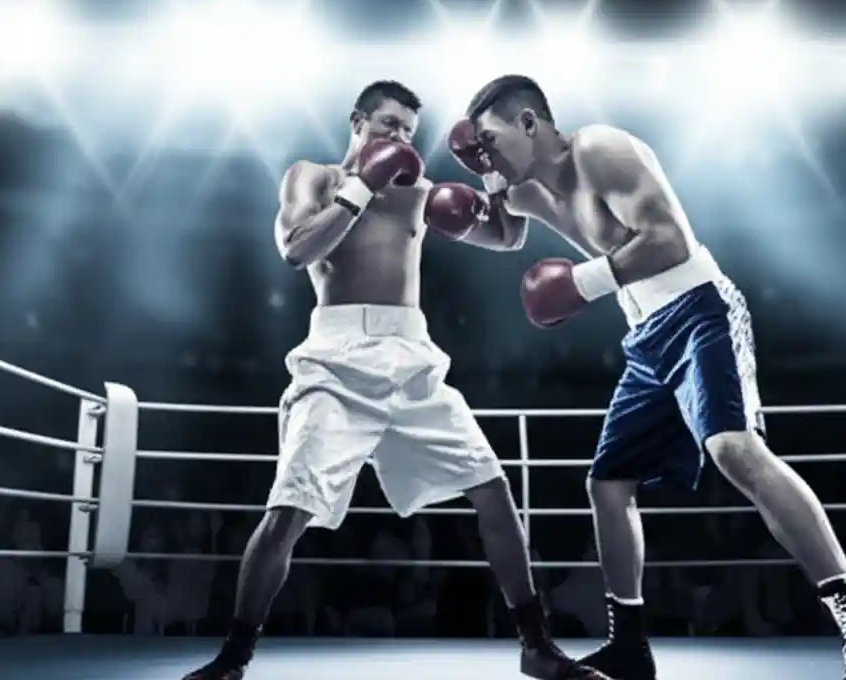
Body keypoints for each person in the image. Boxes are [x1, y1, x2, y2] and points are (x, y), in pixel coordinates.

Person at [436, 74, 846, 680]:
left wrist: (580, 285)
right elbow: (503, 232)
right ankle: (631, 647)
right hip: (644, 338)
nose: (487, 154)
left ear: (530, 123)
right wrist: (454, 215)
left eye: (491, 140)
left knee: (734, 450)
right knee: (608, 484)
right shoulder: (523, 184)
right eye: (478, 147)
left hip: (697, 309)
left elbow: (666, 239)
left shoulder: (601, 149)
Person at [182, 80, 605, 680]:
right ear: (357, 122)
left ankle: (536, 646)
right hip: (335, 358)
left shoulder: (422, 194)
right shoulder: (315, 178)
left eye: (408, 131)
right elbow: (297, 250)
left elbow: (509, 237)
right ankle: (233, 656)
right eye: (388, 125)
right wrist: (361, 187)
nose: (399, 139)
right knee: (288, 509)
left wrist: (488, 175)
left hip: (411, 357)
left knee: (492, 488)